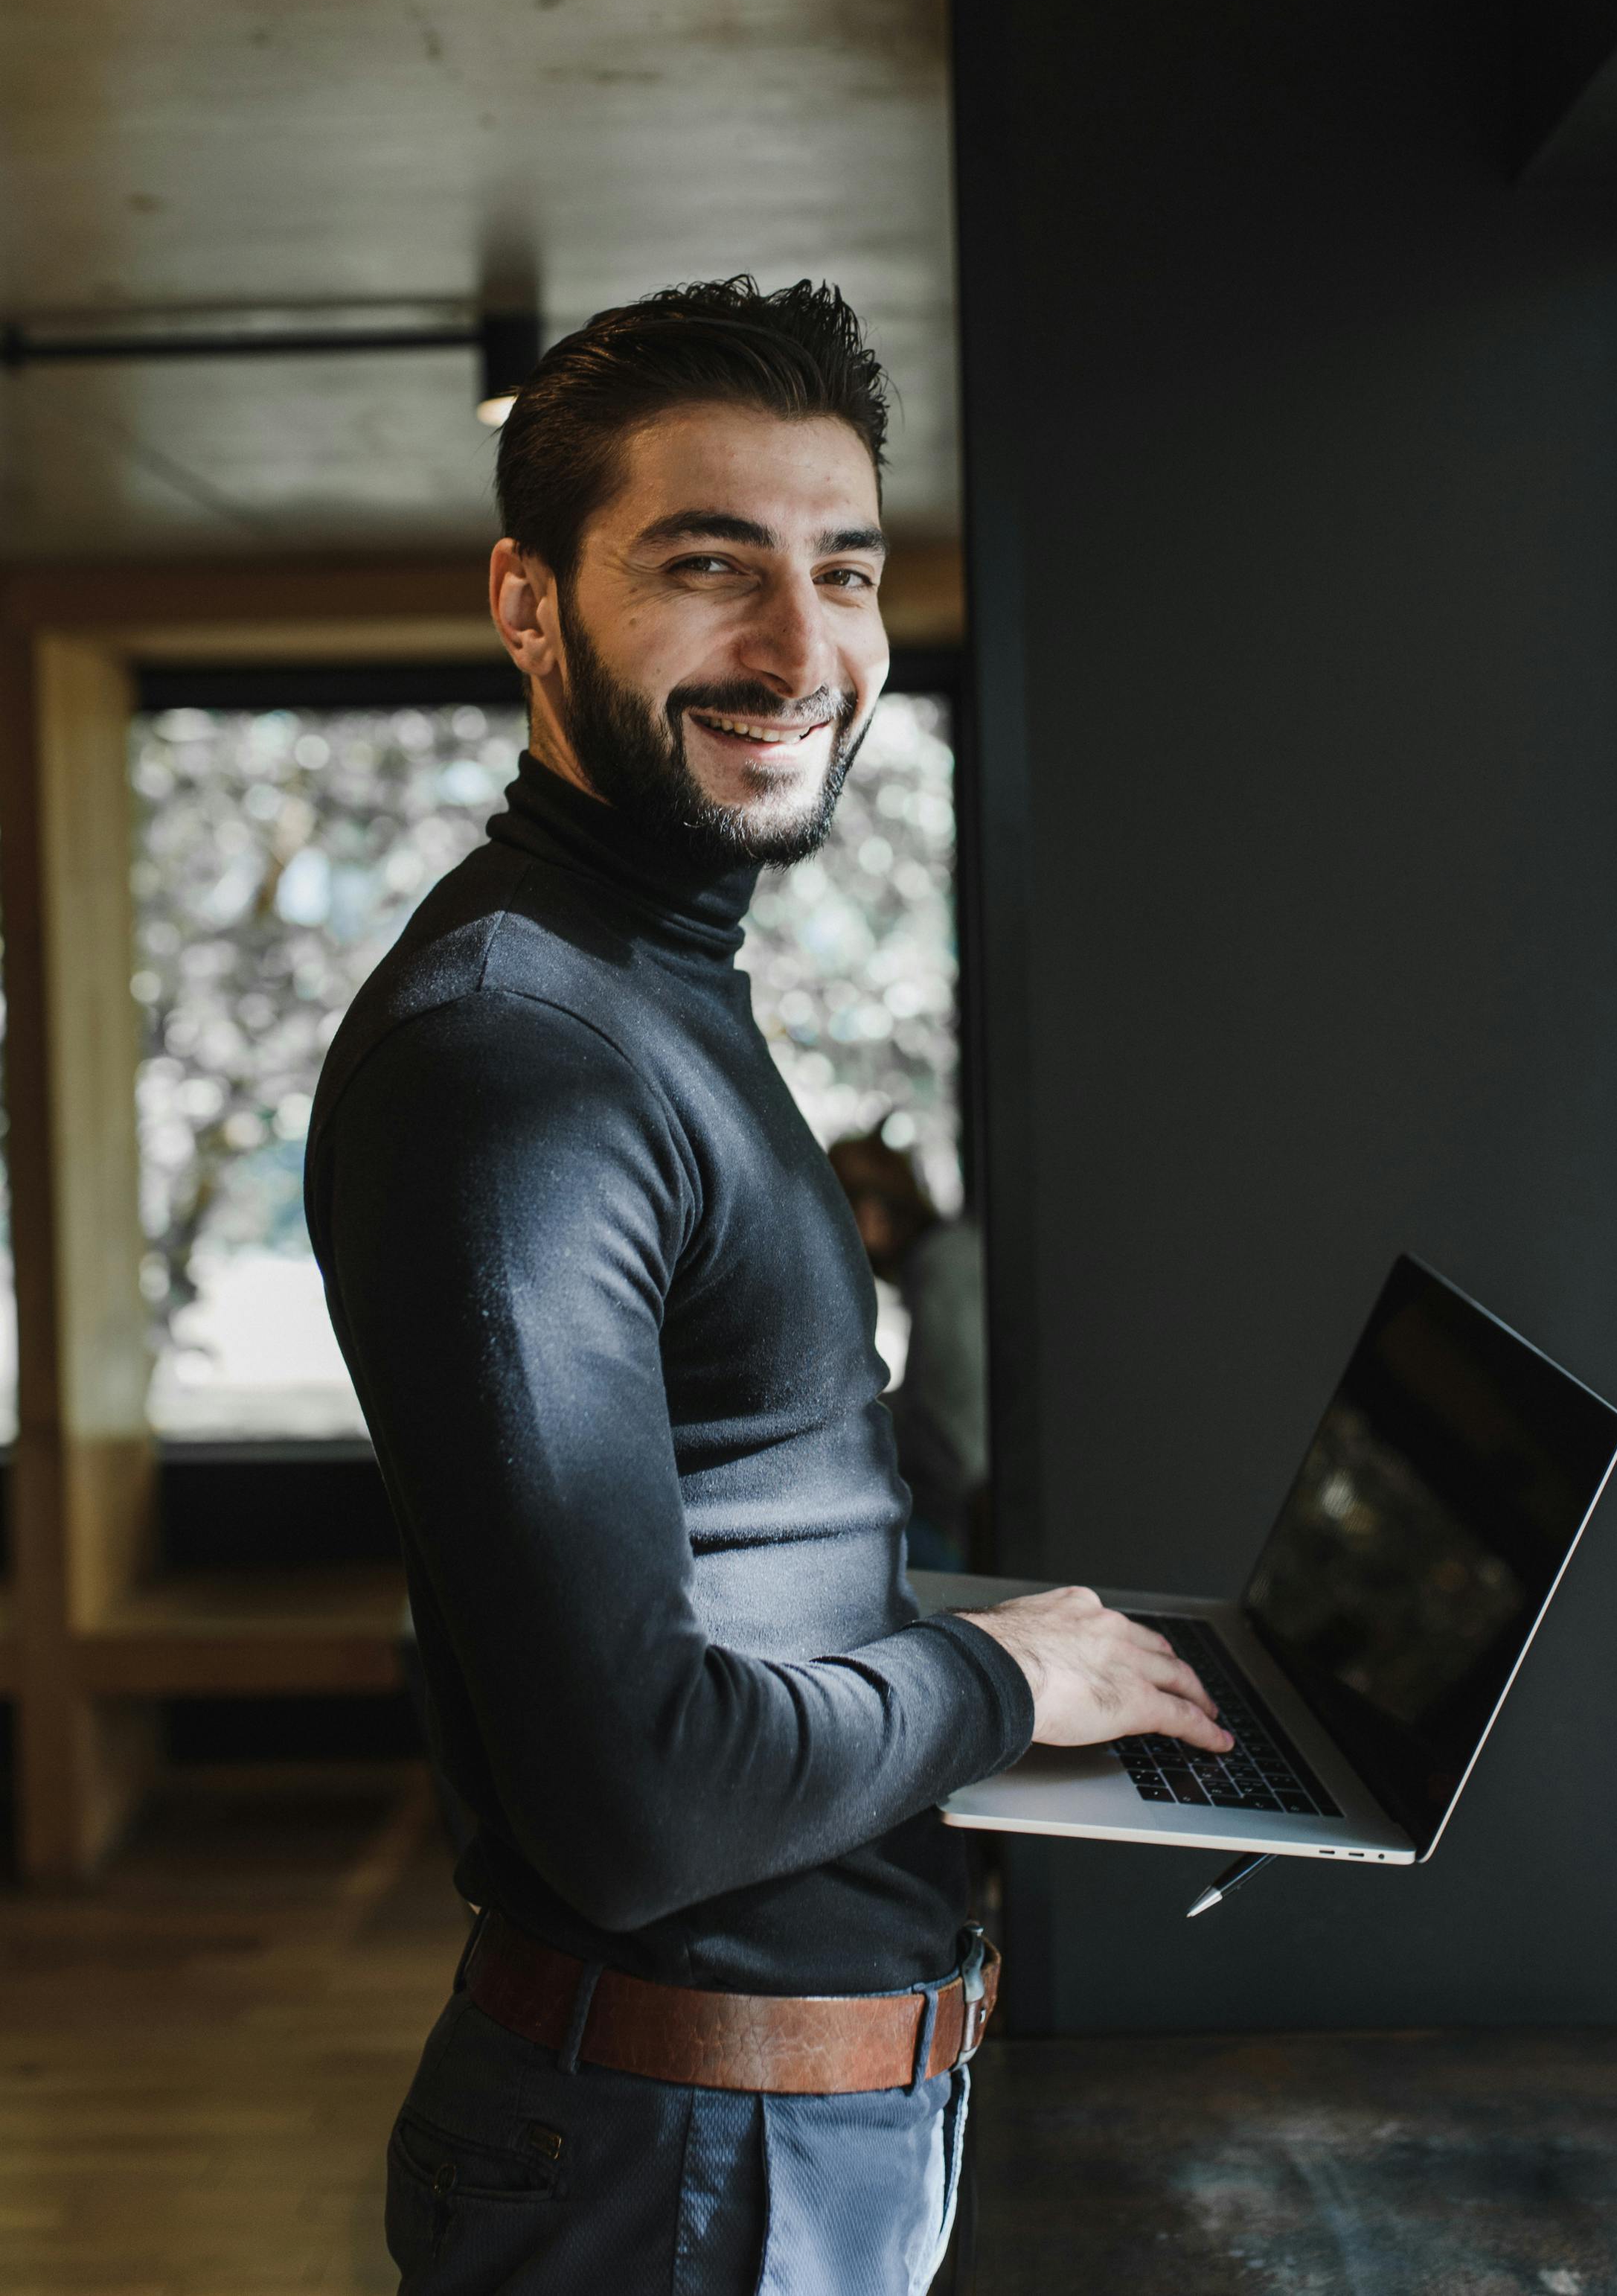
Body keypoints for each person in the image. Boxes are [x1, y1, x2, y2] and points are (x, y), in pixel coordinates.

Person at [304, 277, 1232, 2295]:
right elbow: (633, 1801)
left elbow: (738, 1550)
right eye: (708, 569)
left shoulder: (656, 982)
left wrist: (1014, 1644)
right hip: (680, 2177)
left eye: (845, 569)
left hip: (767, 2143)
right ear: (531, 602)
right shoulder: (514, 1068)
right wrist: (1005, 1682)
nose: (803, 650)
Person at [829, 1129, 987, 1571]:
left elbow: (958, 1440)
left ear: (870, 1213)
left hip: (950, 1523)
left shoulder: (943, 1267)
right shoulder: (942, 1261)